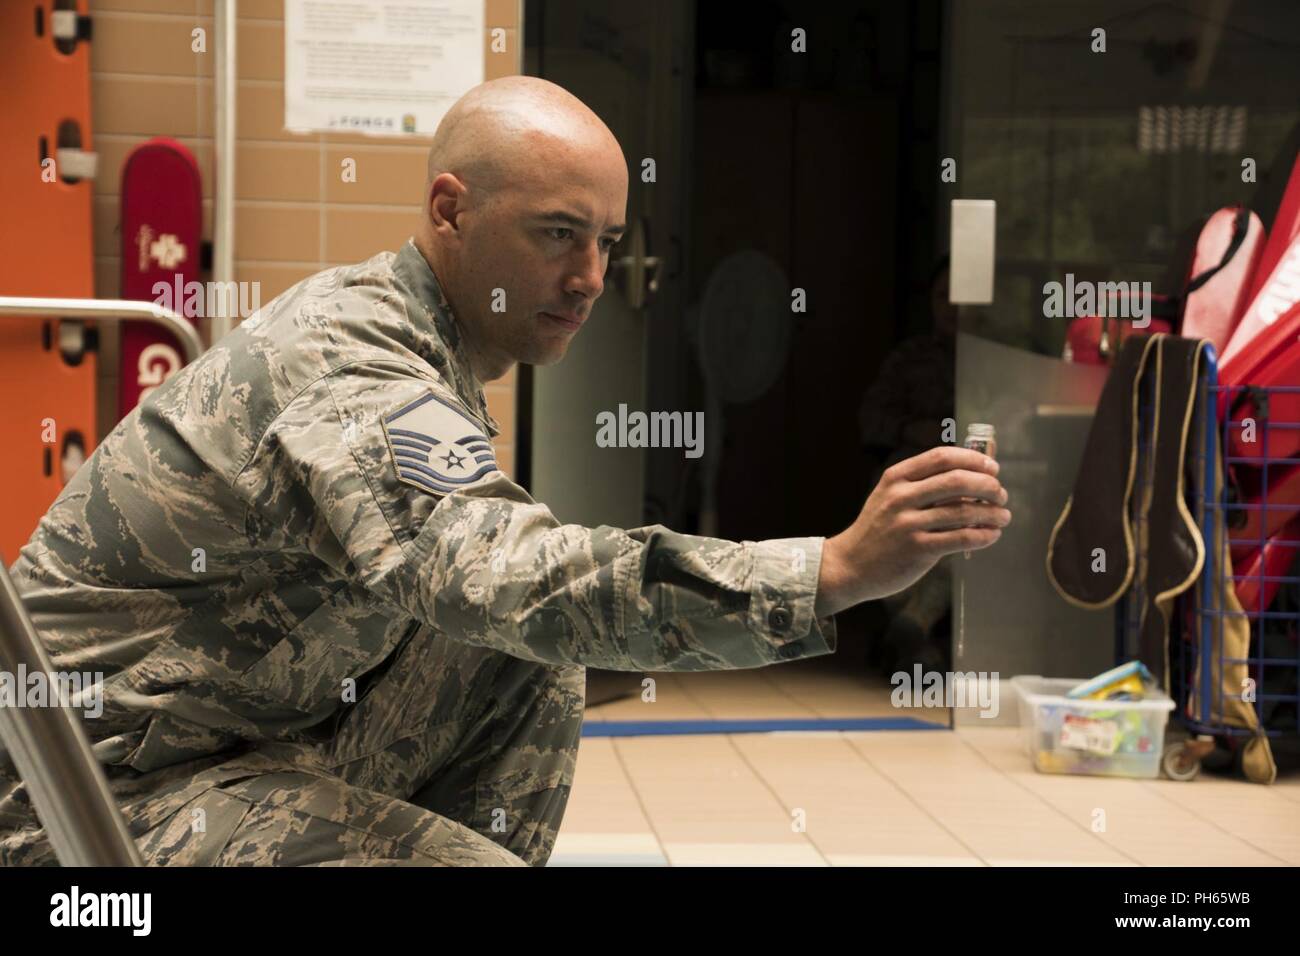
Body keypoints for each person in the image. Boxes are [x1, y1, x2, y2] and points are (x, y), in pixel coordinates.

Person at [0, 78, 1010, 867]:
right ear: (450, 209)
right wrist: (825, 571)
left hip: (240, 736)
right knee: (524, 617)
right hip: (86, 796)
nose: (588, 277)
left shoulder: (430, 348)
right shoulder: (351, 359)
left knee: (524, 655)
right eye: (557, 234)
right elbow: (506, 571)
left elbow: (509, 606)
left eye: (606, 242)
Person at [858, 257, 959, 675]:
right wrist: (917, 430)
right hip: (917, 474)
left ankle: (912, 632)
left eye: (962, 298)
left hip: (986, 483)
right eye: (942, 297)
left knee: (964, 534)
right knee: (896, 529)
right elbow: (871, 419)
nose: (952, 307)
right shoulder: (911, 359)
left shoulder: (1001, 359)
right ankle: (916, 638)